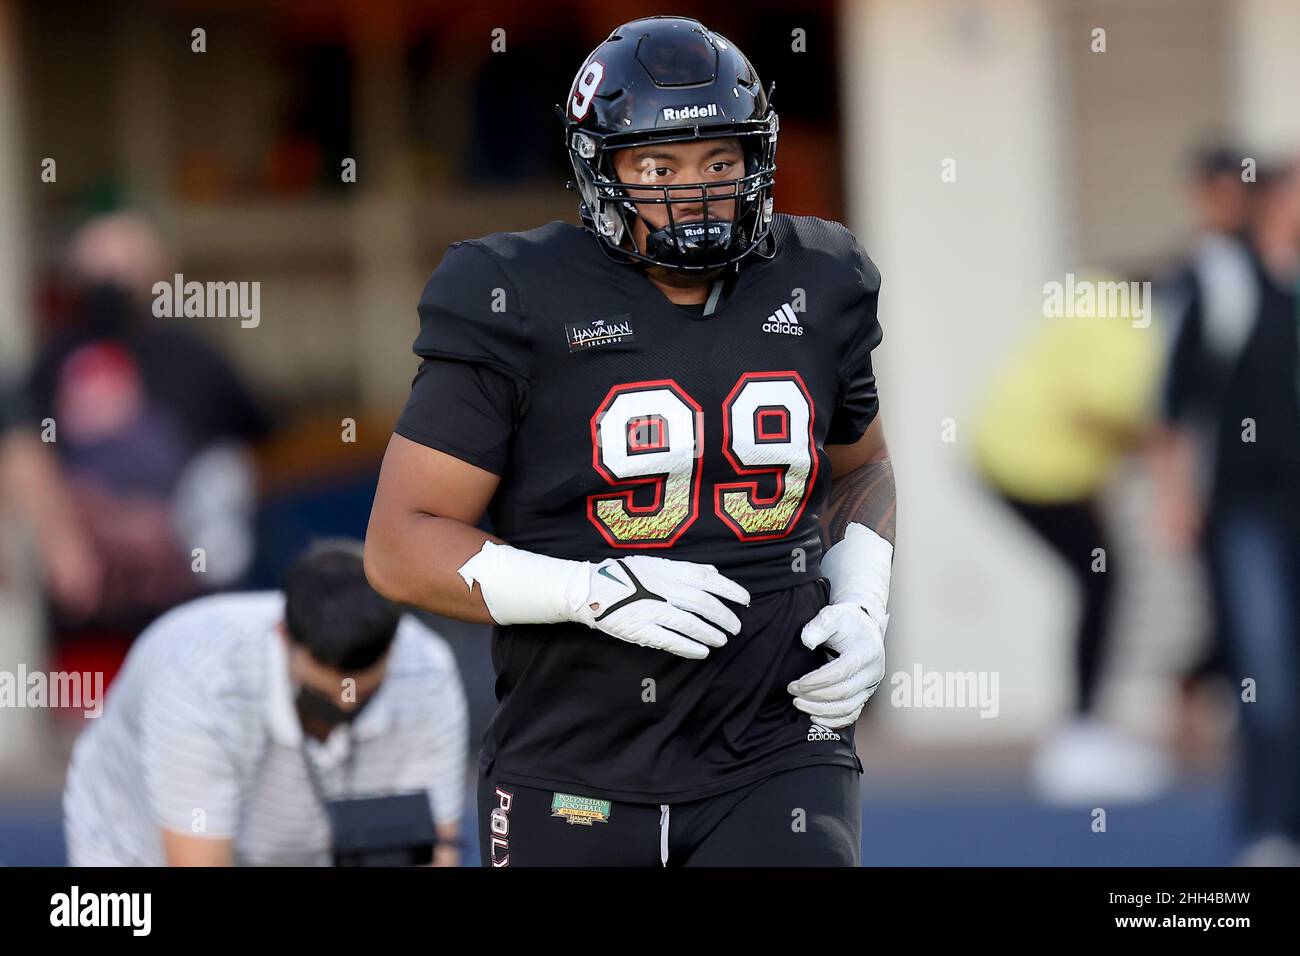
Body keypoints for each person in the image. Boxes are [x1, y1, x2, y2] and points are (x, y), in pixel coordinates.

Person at [366, 16, 895, 867]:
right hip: (574, 756)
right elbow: (401, 546)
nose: (696, 191)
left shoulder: (822, 275)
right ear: (599, 168)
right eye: (658, 165)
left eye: (720, 161)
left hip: (779, 743)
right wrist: (591, 592)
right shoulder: (510, 293)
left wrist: (864, 594)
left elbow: (861, 466)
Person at [63, 541, 468, 866]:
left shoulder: (427, 671)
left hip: (303, 840)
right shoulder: (197, 676)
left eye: (362, 696)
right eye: (322, 698)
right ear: (282, 635)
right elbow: (197, 861)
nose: (342, 709)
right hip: (137, 848)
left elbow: (433, 851)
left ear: (394, 652)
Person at [970, 277, 1169, 803]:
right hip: (1032, 468)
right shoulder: (1131, 331)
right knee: (1101, 581)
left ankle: (1083, 730)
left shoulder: (1092, 305)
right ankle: (1079, 739)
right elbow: (1091, 405)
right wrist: (1155, 446)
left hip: (1008, 456)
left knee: (1098, 580)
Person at [1154, 157, 1300, 866]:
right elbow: (1176, 402)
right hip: (1247, 508)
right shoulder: (1224, 279)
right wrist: (1174, 495)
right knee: (1265, 671)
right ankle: (1268, 827)